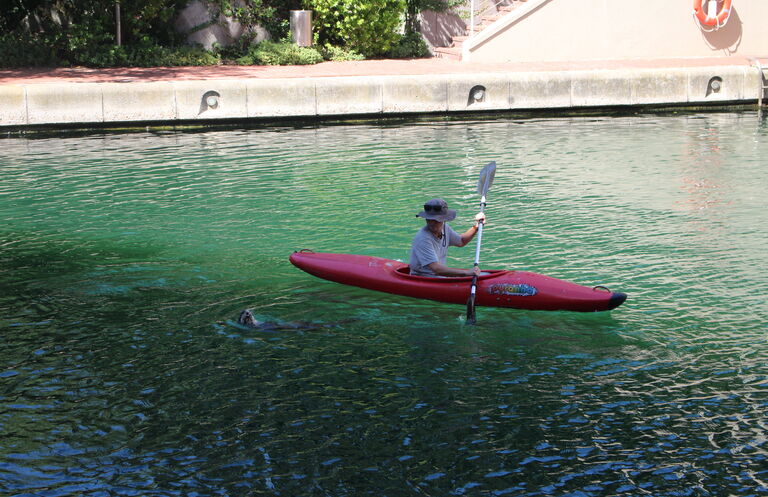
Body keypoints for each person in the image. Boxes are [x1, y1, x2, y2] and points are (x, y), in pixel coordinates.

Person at [409, 198, 487, 277]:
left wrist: (476, 227)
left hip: (439, 276)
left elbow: (461, 241)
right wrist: (467, 273)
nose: (431, 223)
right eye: (429, 219)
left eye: (436, 220)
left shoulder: (445, 228)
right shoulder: (423, 238)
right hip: (424, 278)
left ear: (444, 219)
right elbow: (436, 269)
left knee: (485, 276)